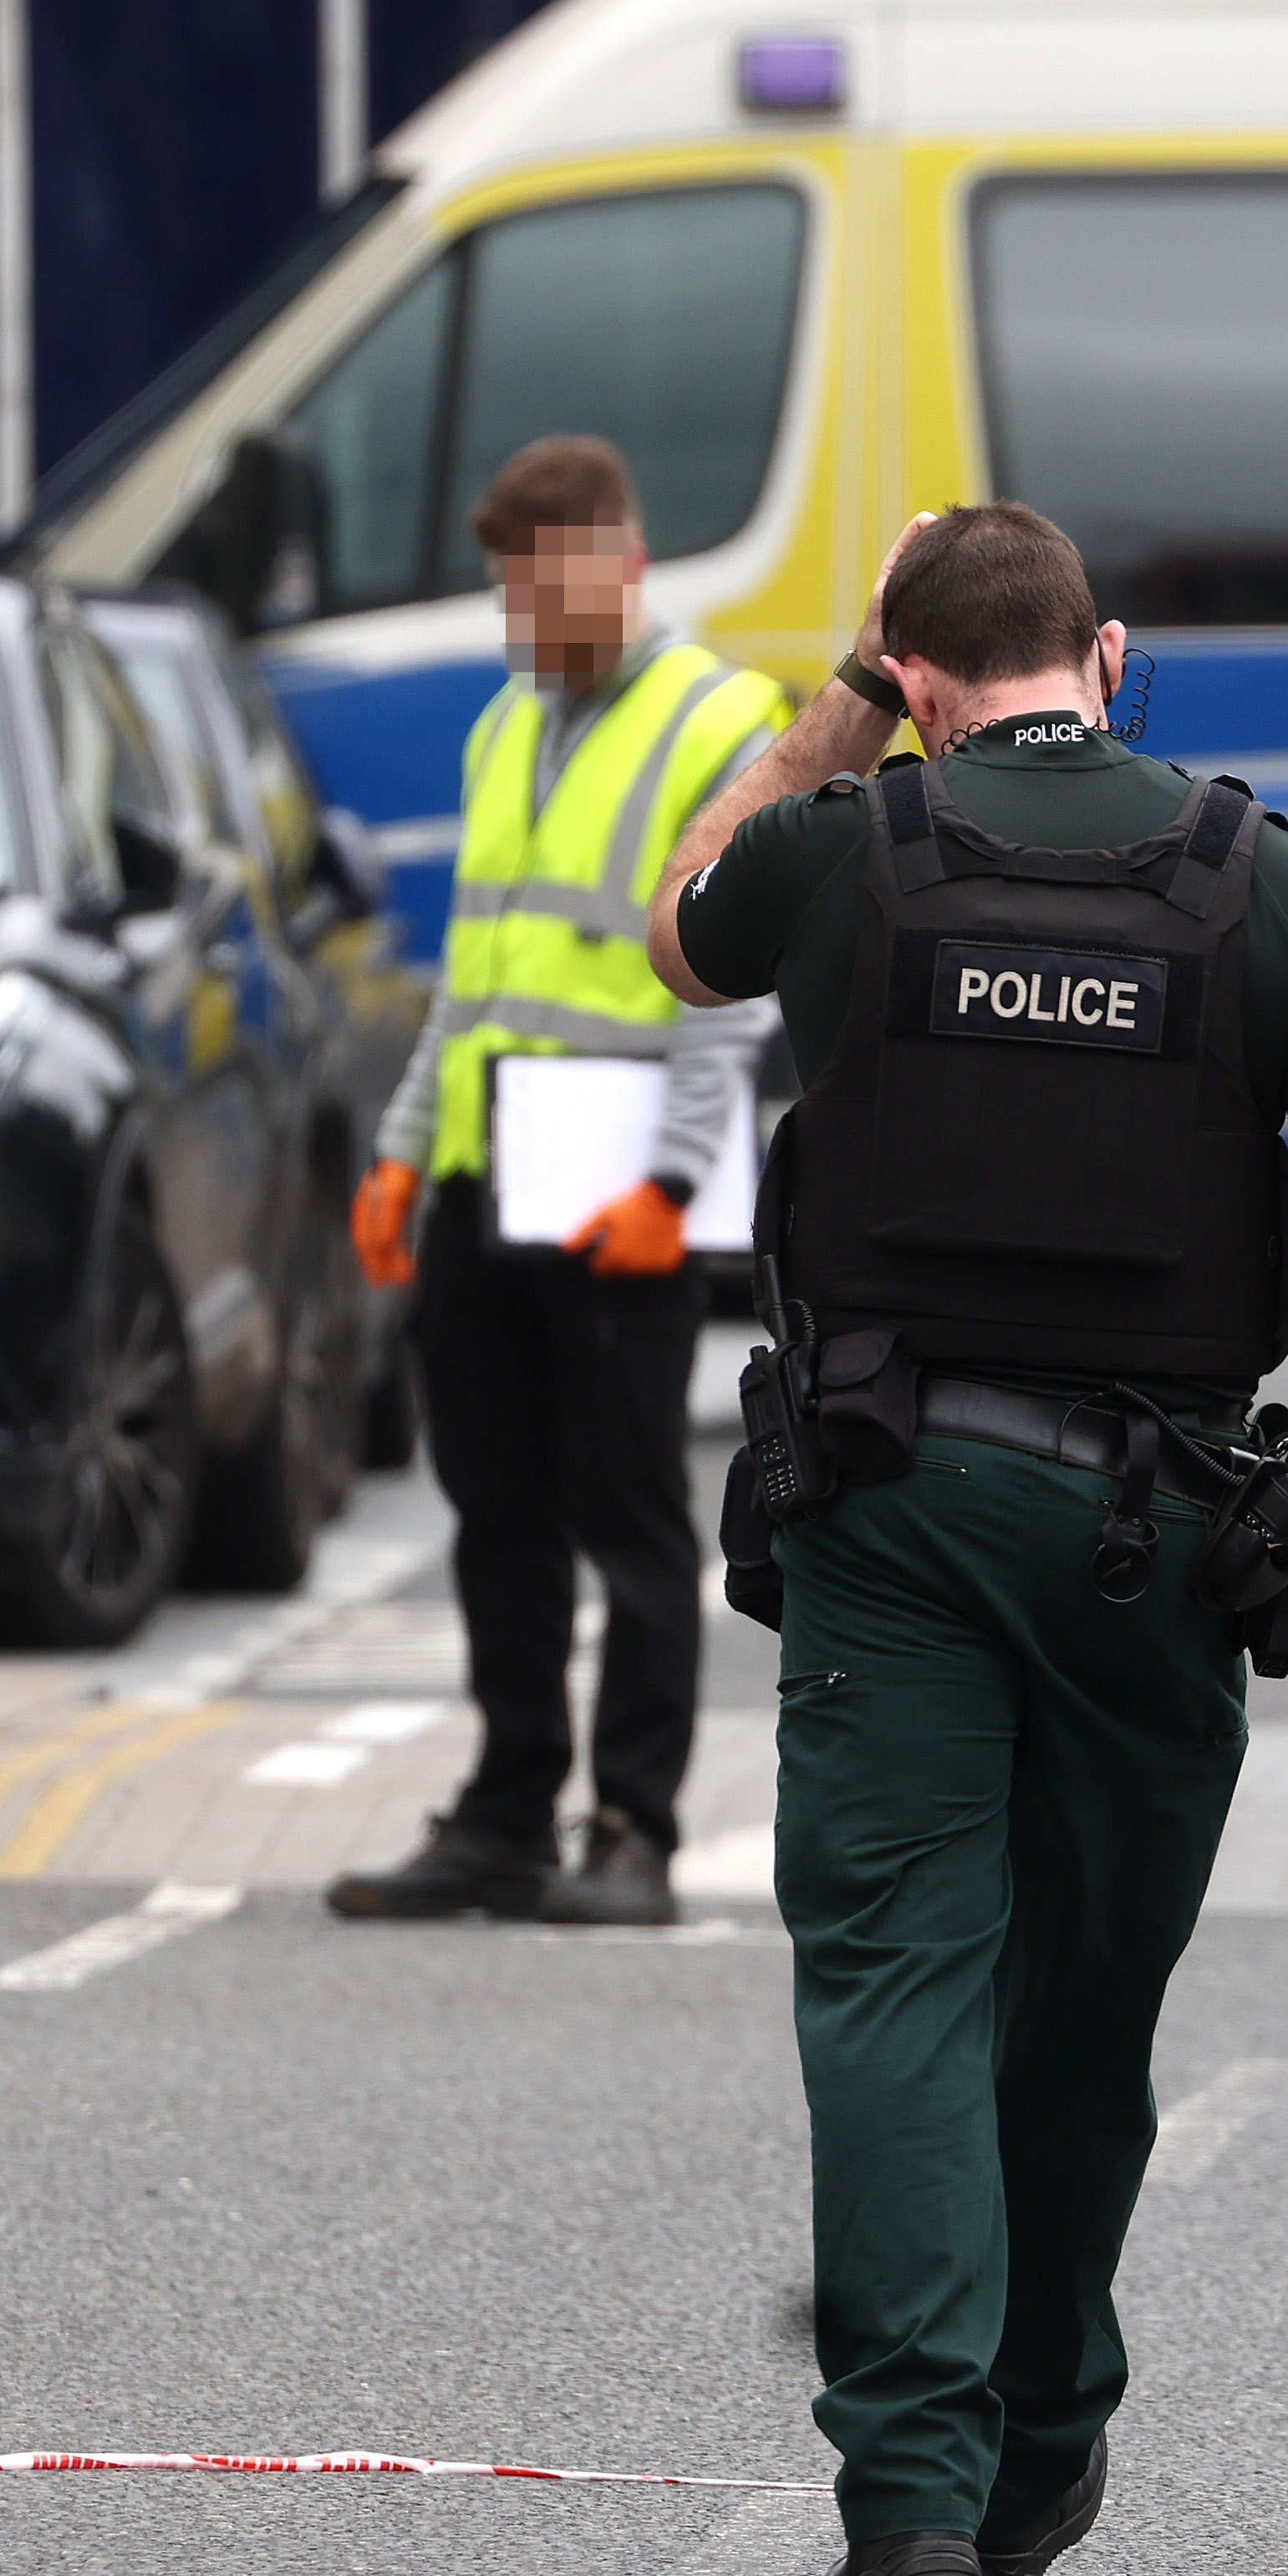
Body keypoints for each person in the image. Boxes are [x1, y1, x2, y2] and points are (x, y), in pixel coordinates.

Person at [653, 502, 1288, 2576]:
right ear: (1110, 657)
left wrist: (838, 705)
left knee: (895, 1985)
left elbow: (680, 922)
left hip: (889, 1514)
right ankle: (1036, 2455)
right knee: (1082, 2008)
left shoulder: (847, 847)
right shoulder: (1266, 885)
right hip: (1159, 1537)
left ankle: (910, 2509)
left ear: (916, 677)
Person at [327, 436, 791, 1928]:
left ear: (625, 562)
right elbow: (473, 975)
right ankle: (507, 1813)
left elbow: (729, 985)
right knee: (496, 1514)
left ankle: (634, 1829)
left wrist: (672, 1182)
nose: (528, 619)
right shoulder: (503, 729)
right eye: (510, 593)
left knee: (632, 1521)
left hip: (617, 1204)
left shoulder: (722, 721)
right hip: (487, 1184)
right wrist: (403, 1151)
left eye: (549, 588)